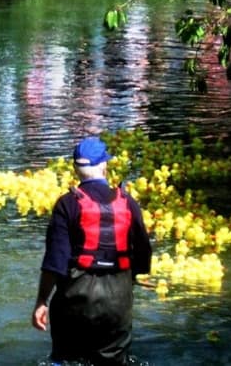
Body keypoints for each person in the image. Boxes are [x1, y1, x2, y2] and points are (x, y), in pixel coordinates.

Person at [32, 136, 152, 366]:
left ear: (76, 169)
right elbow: (144, 251)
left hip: (74, 301)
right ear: (104, 165)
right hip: (117, 302)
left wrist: (41, 301)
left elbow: (54, 263)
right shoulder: (127, 202)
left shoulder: (67, 204)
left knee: (67, 361)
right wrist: (131, 279)